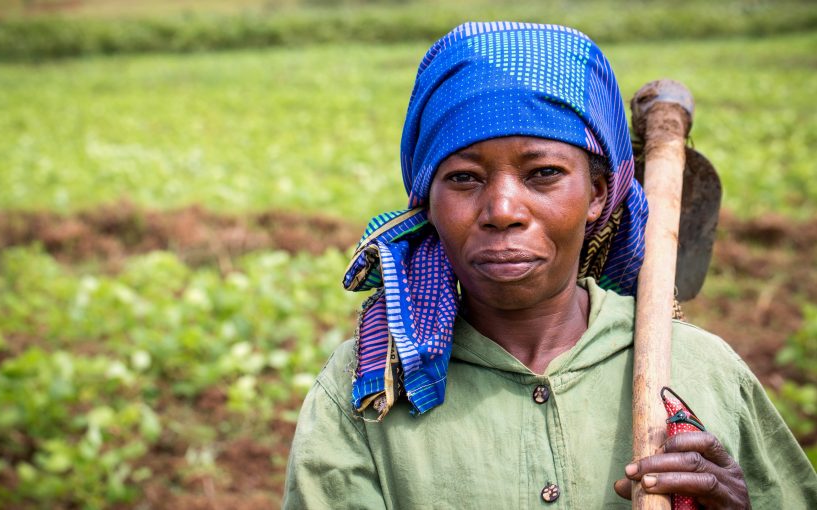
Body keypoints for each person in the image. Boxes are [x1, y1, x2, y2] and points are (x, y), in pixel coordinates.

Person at [282, 22, 817, 508]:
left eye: (542, 173)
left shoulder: (705, 372)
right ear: (426, 203)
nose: (503, 211)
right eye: (465, 178)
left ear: (597, 195)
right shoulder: (368, 393)